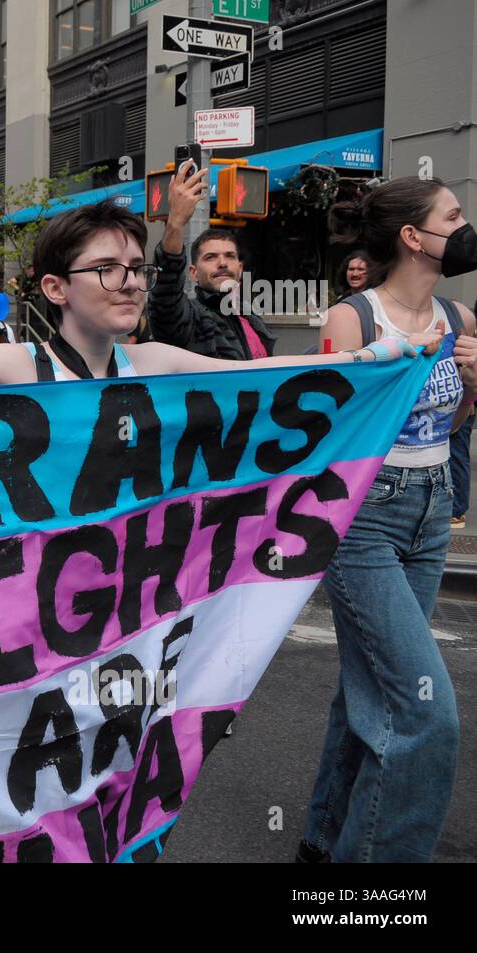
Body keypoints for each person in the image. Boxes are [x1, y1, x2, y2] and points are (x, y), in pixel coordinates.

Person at [294, 177, 477, 864]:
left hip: (431, 507)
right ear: (412, 236)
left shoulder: (461, 318)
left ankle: (320, 837)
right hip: (365, 513)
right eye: (453, 216)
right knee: (424, 707)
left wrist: (472, 388)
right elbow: (329, 434)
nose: (464, 227)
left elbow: (452, 423)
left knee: (366, 685)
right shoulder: (354, 319)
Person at [148, 162, 276, 360]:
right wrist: (175, 221)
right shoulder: (190, 318)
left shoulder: (250, 317)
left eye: (230, 256)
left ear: (240, 268)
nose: (222, 263)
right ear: (193, 272)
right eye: (210, 257)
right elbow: (166, 291)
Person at [451, 300, 477, 529]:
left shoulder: (463, 319)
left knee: (458, 452)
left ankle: (457, 509)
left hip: (467, 397)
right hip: (463, 396)